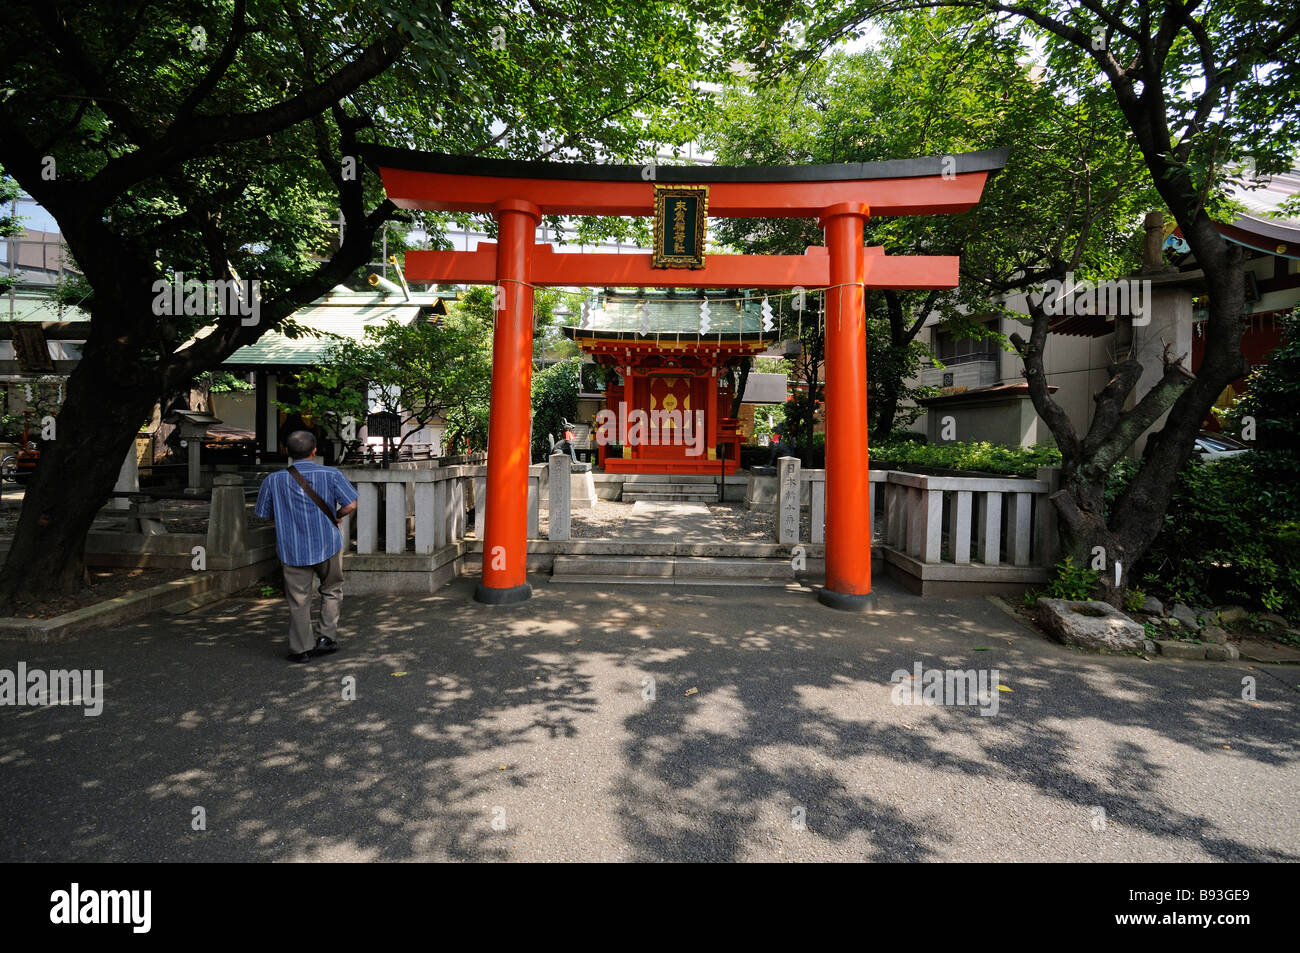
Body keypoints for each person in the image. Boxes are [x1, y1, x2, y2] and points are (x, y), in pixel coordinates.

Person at [255, 430, 359, 663]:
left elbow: (263, 514)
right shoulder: (331, 474)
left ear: (287, 452)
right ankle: (326, 638)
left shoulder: (273, 480)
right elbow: (351, 504)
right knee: (332, 589)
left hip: (292, 547)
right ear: (314, 450)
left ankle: (302, 649)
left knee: (299, 599)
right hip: (327, 543)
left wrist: (286, 515)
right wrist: (337, 514)